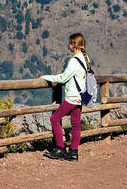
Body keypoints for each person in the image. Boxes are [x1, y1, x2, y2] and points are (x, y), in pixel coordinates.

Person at [39, 33, 92, 162]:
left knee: (54, 119)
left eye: (70, 43)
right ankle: (73, 152)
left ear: (73, 45)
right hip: (81, 96)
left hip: (72, 96)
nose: (69, 45)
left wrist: (46, 77)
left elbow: (63, 78)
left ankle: (60, 148)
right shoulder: (86, 58)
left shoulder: (74, 60)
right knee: (76, 124)